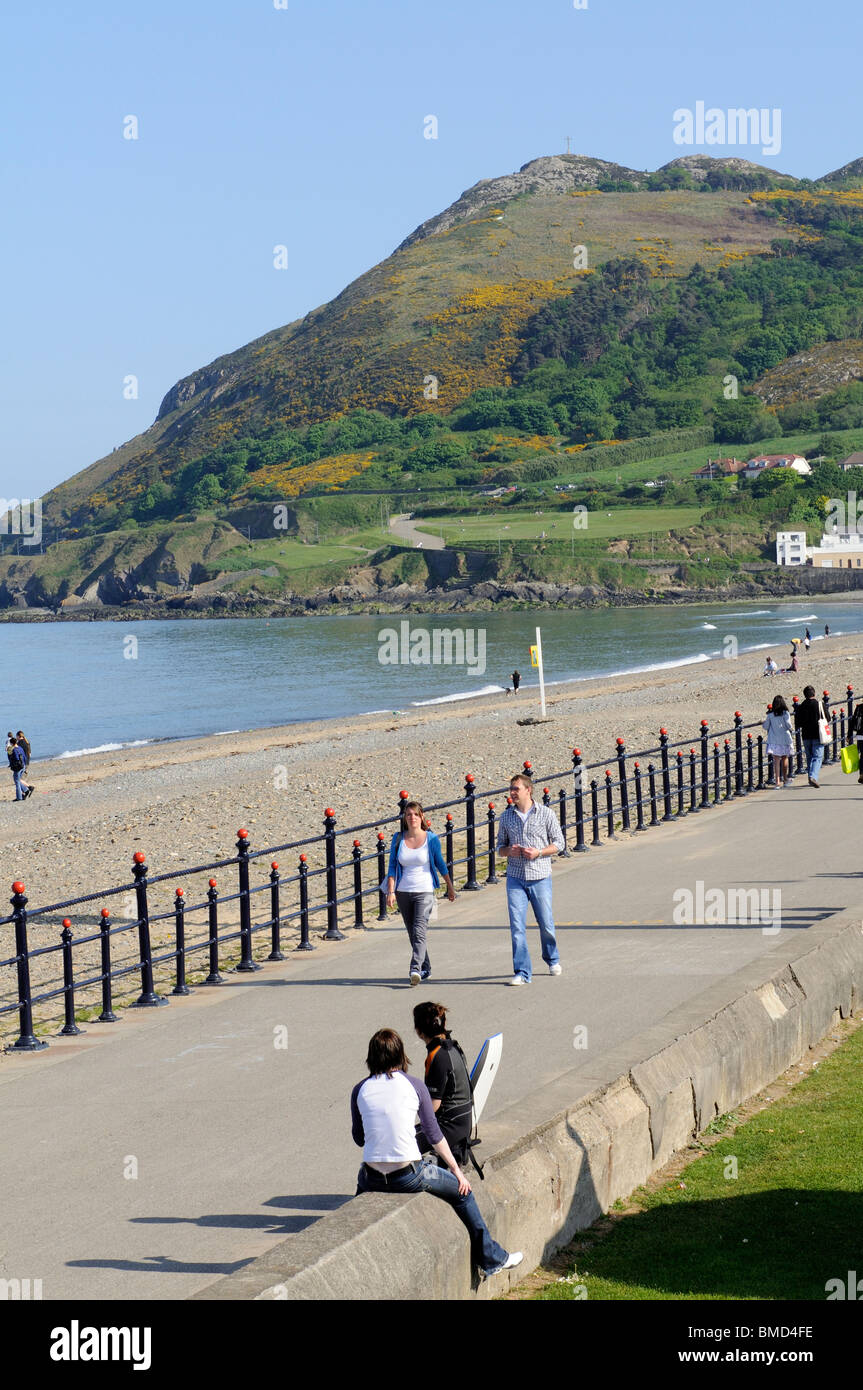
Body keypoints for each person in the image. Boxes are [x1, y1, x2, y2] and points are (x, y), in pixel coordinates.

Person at [351, 1028, 522, 1279]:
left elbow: (359, 1139)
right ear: (401, 1055)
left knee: (359, 1189)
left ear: (371, 1058)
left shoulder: (359, 1089)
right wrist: (456, 1171)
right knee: (463, 1195)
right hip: (407, 1176)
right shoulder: (415, 1086)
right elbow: (434, 1135)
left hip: (372, 1178)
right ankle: (491, 1258)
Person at [496, 772, 565, 985]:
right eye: (511, 789)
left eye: (516, 789)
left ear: (528, 790)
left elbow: (560, 843)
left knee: (546, 923)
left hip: (540, 876)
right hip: (515, 878)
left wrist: (539, 852)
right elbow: (499, 848)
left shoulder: (546, 814)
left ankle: (552, 958)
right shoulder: (506, 817)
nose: (512, 793)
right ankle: (522, 972)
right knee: (517, 926)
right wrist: (510, 851)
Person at [386, 801, 455, 986]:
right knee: (413, 933)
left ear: (422, 816)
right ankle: (426, 967)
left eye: (416, 814)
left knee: (419, 931)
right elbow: (392, 865)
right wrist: (391, 891)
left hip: (424, 891)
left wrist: (450, 886)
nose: (412, 818)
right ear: (405, 818)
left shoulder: (431, 839)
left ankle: (414, 969)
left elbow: (440, 863)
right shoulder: (398, 838)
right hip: (403, 891)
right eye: (409, 815)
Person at [413, 1000, 474, 1168]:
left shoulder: (437, 1057)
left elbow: (433, 1106)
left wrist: (405, 1109)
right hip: (462, 1123)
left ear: (419, 1031)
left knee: (402, 1144)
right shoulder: (451, 1046)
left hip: (450, 1127)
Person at [795, 685, 825, 788]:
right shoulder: (819, 704)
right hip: (818, 734)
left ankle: (810, 778)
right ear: (814, 694)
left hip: (806, 735)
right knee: (817, 757)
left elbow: (797, 723)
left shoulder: (800, 706)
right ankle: (813, 776)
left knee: (809, 757)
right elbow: (828, 718)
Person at [764, 695, 794, 787]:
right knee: (785, 758)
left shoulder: (770, 715)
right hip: (785, 738)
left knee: (776, 761)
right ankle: (785, 779)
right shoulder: (786, 713)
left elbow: (766, 726)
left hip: (774, 739)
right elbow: (789, 725)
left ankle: (777, 782)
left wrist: (762, 722)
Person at [6, 737, 28, 802]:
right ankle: (26, 790)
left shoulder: (14, 750)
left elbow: (16, 758)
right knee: (17, 780)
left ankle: (19, 797)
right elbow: (24, 757)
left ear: (12, 743)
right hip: (23, 765)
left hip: (18, 767)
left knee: (17, 781)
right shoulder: (20, 748)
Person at [848, 698, 863, 786]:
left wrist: (849, 735)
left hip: (860, 735)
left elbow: (853, 721)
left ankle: (861, 773)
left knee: (862, 756)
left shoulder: (859, 708)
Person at [15, 730, 34, 797]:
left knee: (18, 779)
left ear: (18, 736)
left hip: (23, 762)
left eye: (16, 736)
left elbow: (18, 753)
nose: (16, 737)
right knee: (19, 779)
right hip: (27, 761)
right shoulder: (27, 742)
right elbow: (30, 753)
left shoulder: (20, 743)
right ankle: (25, 792)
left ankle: (29, 788)